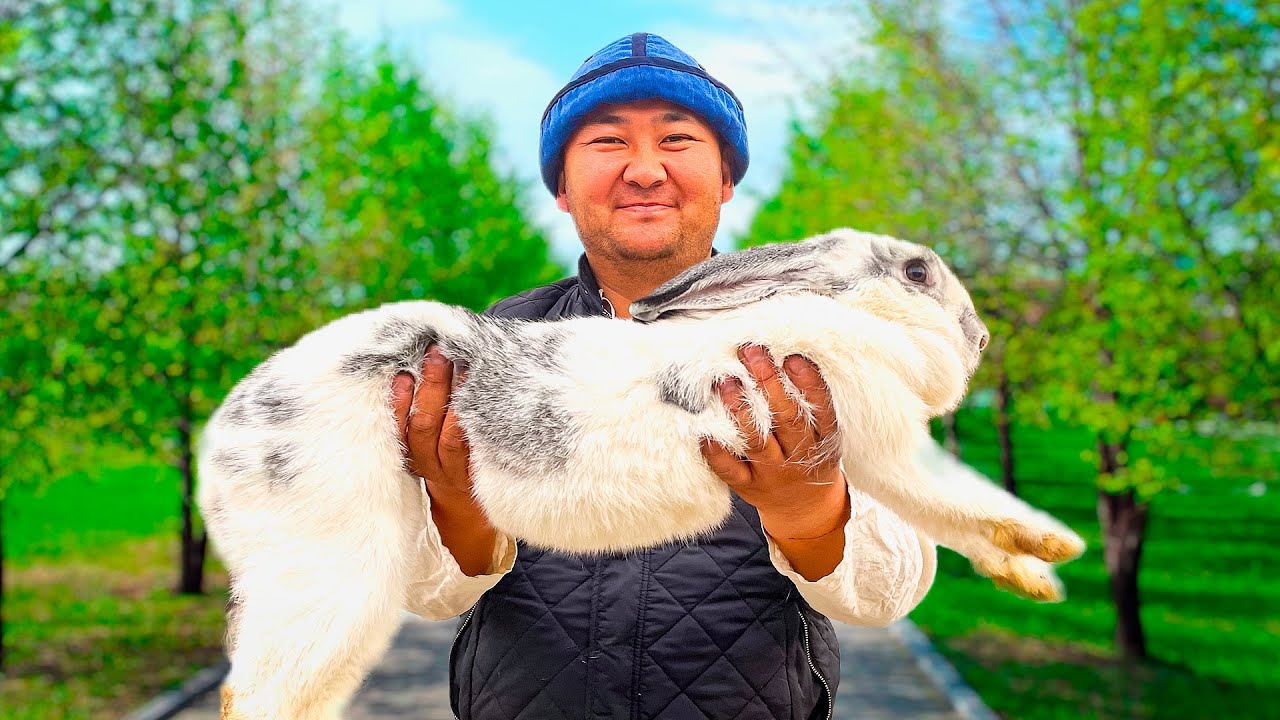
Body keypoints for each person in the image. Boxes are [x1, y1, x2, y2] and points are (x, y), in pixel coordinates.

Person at [388, 33, 937, 720]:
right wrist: (457, 510)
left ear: (727, 180)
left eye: (677, 140)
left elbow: (889, 592)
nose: (645, 170)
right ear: (561, 186)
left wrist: (810, 514)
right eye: (607, 142)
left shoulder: (820, 343)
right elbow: (429, 591)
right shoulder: (488, 346)